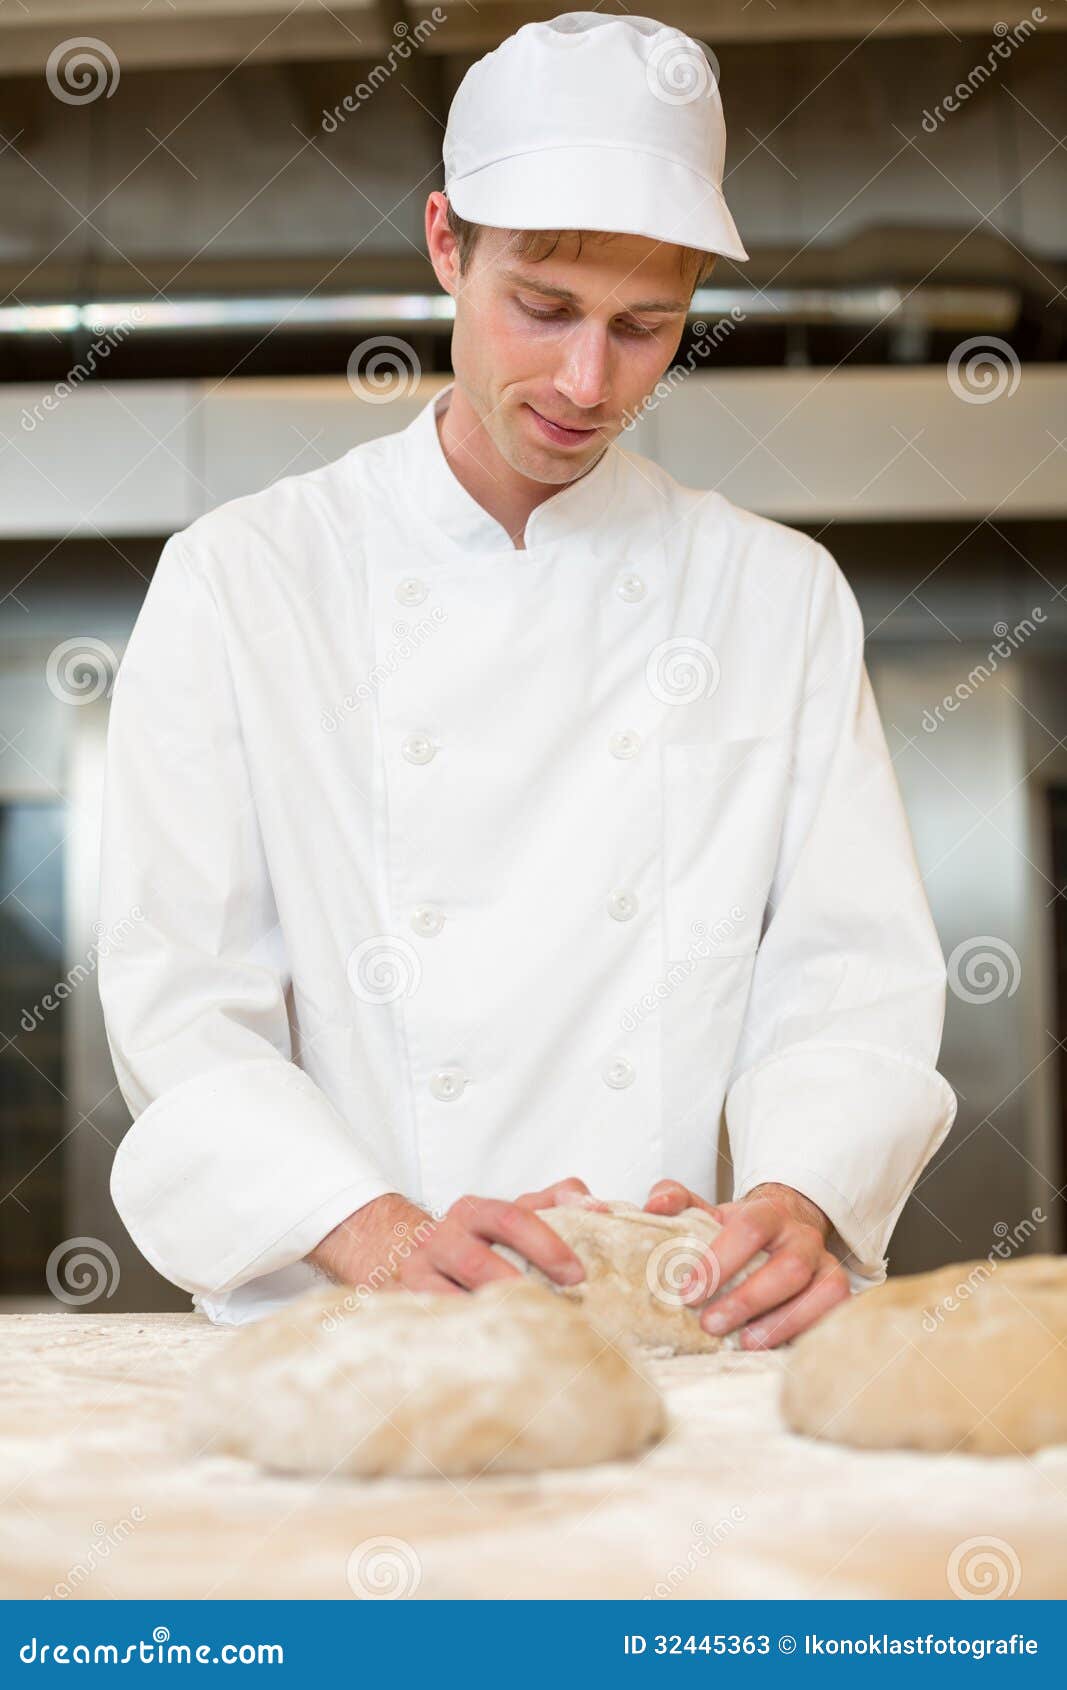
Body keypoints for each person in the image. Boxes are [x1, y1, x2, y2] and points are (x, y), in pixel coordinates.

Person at [98, 12, 957, 1343]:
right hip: (357, 1337)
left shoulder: (772, 594)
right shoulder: (246, 579)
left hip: (681, 1343)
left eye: (644, 327)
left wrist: (800, 1190)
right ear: (446, 242)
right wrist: (381, 1237)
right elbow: (184, 1007)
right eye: (542, 310)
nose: (584, 379)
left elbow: (848, 977)